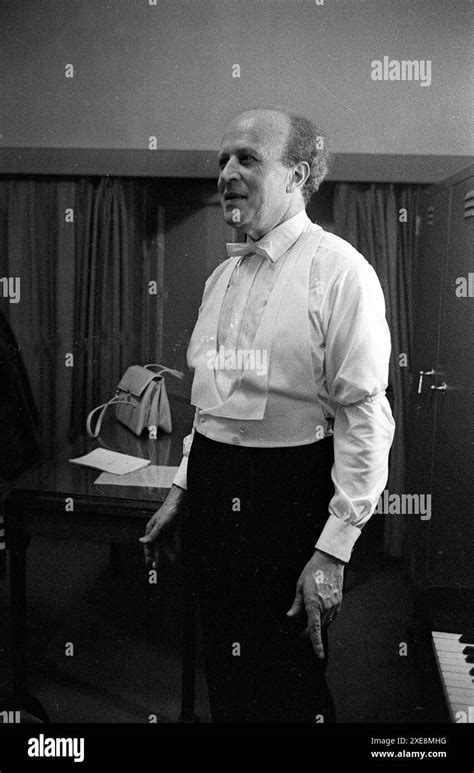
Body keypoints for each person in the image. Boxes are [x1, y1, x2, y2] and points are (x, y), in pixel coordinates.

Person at [140, 107, 395, 723]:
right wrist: (182, 488)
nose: (227, 171)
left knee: (289, 679)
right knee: (227, 674)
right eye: (223, 159)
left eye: (248, 159)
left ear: (297, 175)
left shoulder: (342, 273)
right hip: (214, 491)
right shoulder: (220, 277)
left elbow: (365, 416)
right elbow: (211, 409)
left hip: (290, 498)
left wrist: (333, 551)